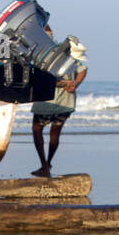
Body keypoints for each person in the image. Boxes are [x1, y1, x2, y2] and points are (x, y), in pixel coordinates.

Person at [31, 30, 87, 177]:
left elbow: (38, 77)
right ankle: (47, 164)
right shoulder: (65, 52)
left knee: (38, 130)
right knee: (54, 133)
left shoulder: (39, 54)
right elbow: (82, 69)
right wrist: (75, 83)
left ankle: (44, 165)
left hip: (47, 100)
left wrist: (74, 83)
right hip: (63, 101)